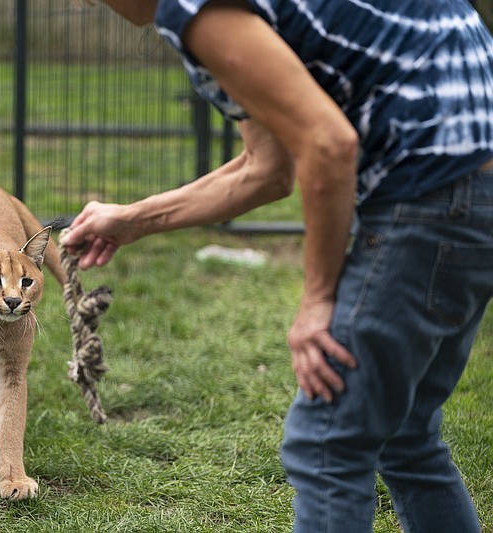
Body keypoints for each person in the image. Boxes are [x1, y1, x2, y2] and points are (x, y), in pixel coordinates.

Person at [61, 1, 493, 531]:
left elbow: (328, 143)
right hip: (474, 184)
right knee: (404, 433)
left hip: (434, 189)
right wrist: (133, 219)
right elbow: (267, 169)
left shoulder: (192, 5)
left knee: (327, 443)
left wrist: (317, 301)